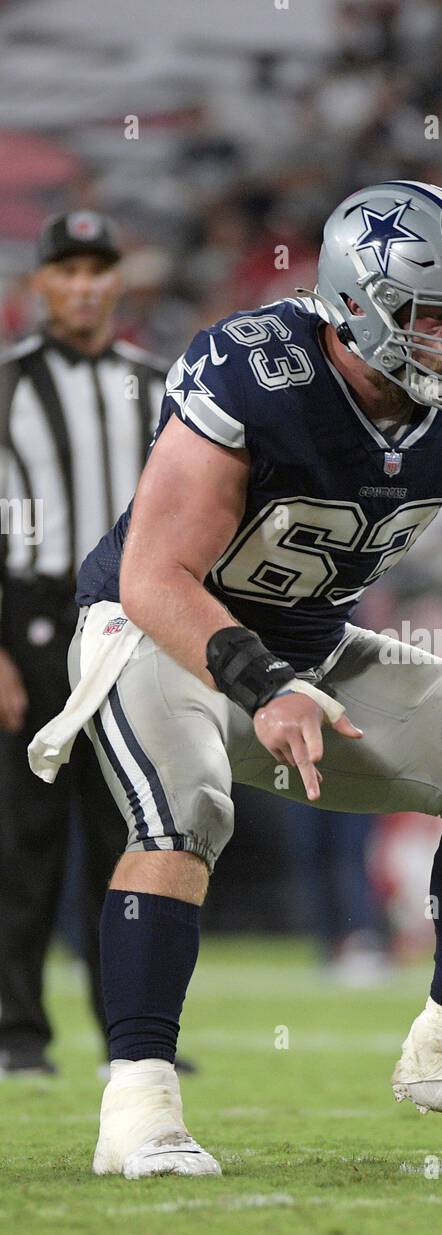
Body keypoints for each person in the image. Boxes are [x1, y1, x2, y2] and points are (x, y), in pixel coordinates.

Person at [32, 181, 442, 1177]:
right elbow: (154, 575)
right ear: (356, 303)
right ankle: (139, 1098)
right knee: (185, 809)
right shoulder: (256, 371)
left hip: (308, 640)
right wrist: (263, 684)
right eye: (433, 316)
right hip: (154, 635)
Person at [0, 211, 165, 1076]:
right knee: (22, 841)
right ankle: (18, 1035)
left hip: (127, 618)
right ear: (41, 284)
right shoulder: (8, 383)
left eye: (99, 268)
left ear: (117, 282)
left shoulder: (158, 381)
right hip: (26, 618)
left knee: (131, 833)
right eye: (66, 269)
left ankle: (129, 1038)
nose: (84, 284)